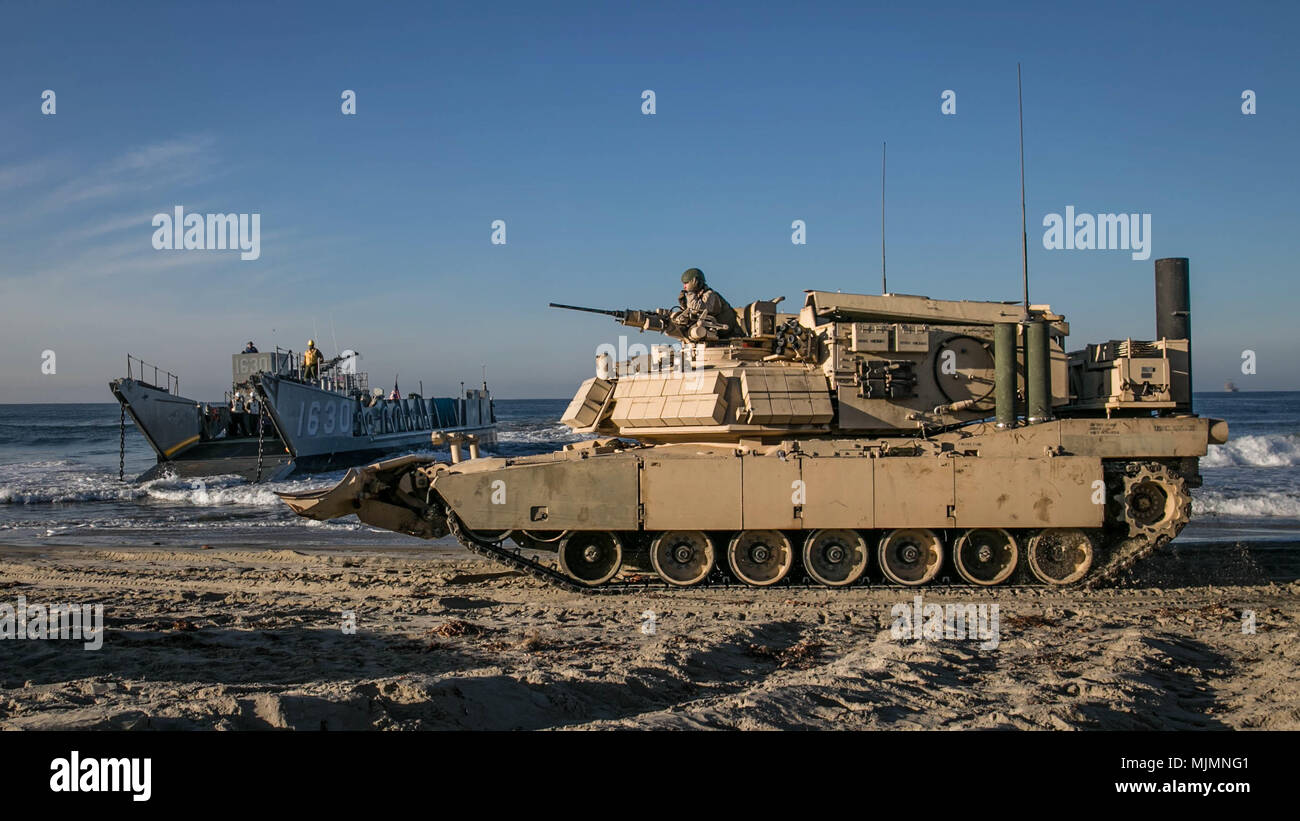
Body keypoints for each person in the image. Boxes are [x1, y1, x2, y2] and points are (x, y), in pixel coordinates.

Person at [673, 268, 742, 340]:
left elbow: (696, 309)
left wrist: (690, 292)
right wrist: (683, 304)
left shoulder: (710, 295)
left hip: (729, 335)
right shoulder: (698, 296)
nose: (684, 286)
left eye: (686, 283)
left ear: (695, 281)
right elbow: (692, 316)